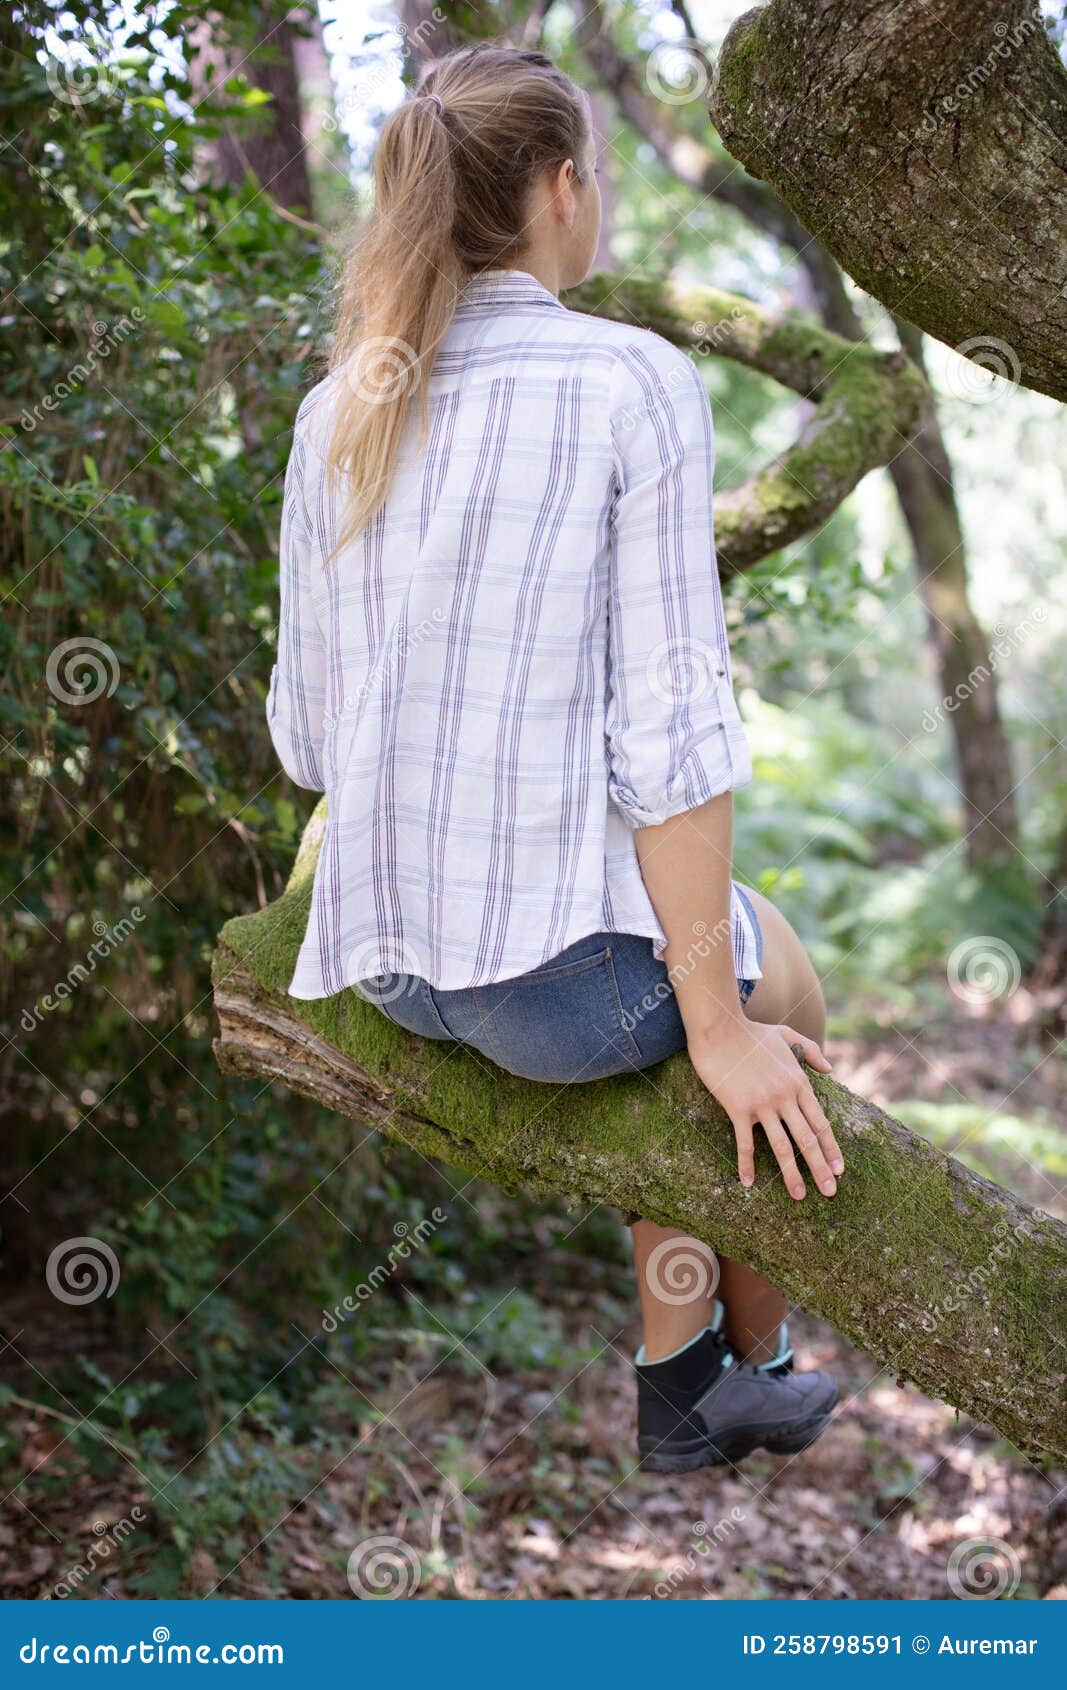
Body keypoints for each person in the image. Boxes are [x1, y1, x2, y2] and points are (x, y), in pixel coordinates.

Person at [267, 43, 843, 1474]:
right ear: (562, 188)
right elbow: (673, 747)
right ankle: (730, 1366)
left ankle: (697, 1379)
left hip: (389, 969)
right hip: (553, 998)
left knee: (699, 969)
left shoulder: (339, 406)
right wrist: (719, 1029)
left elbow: (308, 742)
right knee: (779, 987)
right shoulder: (629, 380)